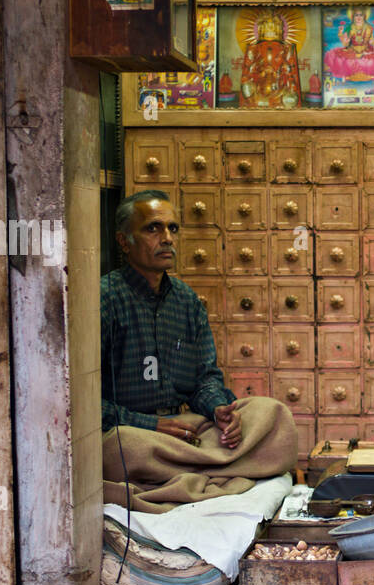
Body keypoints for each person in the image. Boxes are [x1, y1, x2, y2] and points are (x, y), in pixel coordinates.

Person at [101, 190, 297, 511]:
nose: (167, 238)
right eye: (153, 229)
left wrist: (220, 411)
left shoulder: (186, 301)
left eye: (173, 228)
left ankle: (194, 468)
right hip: (135, 435)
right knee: (122, 448)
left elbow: (205, 379)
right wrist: (150, 425)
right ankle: (213, 469)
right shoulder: (105, 299)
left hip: (187, 431)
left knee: (271, 414)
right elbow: (80, 406)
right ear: (125, 242)